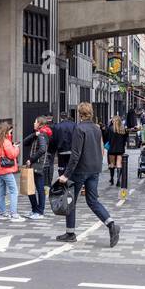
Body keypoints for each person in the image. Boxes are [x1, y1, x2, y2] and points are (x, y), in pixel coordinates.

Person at [57, 102, 120, 248]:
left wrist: (66, 175)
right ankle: (111, 224)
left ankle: (70, 233)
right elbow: (100, 147)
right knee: (92, 201)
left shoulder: (79, 128)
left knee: (70, 200)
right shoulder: (96, 128)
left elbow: (75, 154)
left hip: (80, 170)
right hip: (94, 169)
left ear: (79, 114)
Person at [0, 121, 23, 222]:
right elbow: (12, 154)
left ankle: (3, 213)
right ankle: (14, 214)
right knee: (14, 191)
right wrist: (16, 148)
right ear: (6, 132)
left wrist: (11, 144)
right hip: (6, 170)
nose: (10, 134)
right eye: (10, 132)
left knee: (2, 192)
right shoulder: (5, 141)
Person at [24, 115, 53, 218]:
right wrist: (34, 135)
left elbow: (42, 149)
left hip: (39, 165)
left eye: (35, 122)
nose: (34, 123)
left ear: (40, 123)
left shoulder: (42, 135)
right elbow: (25, 142)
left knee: (39, 189)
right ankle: (35, 210)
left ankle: (39, 212)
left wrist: (31, 160)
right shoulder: (38, 134)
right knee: (30, 188)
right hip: (36, 164)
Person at [49, 112, 75, 176]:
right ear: (67, 117)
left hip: (61, 150)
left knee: (61, 168)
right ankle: (70, 179)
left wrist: (54, 149)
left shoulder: (57, 126)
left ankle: (62, 179)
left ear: (60, 117)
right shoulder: (74, 125)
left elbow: (54, 139)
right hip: (72, 150)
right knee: (71, 167)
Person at [105, 115, 127, 186]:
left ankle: (112, 178)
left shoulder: (110, 129)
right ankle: (118, 179)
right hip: (120, 149)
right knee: (119, 164)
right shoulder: (122, 129)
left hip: (111, 149)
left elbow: (106, 138)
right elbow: (125, 140)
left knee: (112, 164)